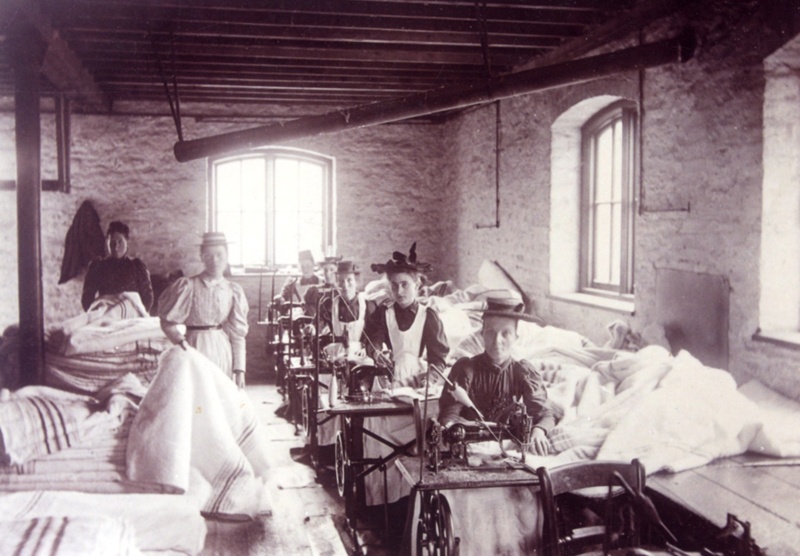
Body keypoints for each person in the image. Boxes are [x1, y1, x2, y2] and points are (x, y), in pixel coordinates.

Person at [438, 294, 555, 455]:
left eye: (506, 333)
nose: (497, 341)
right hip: (469, 446)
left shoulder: (523, 372)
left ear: (516, 337)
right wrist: (450, 430)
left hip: (504, 448)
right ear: (482, 334)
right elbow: (449, 414)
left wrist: (539, 430)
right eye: (490, 332)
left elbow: (544, 413)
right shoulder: (465, 370)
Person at [158, 232, 249, 389]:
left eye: (219, 254)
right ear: (202, 257)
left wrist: (240, 369)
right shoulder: (188, 286)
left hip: (221, 351)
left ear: (227, 256)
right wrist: (181, 342)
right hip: (194, 348)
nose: (214, 260)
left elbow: (238, 335)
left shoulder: (232, 290)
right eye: (209, 255)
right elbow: (167, 322)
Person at [362, 242, 449, 387]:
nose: (399, 291)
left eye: (405, 284)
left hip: (418, 381)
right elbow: (372, 339)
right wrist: (377, 354)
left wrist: (430, 379)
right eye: (394, 285)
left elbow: (439, 359)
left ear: (416, 285)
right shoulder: (383, 313)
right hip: (387, 380)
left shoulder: (427, 316)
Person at [81, 220, 154, 312]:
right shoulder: (98, 267)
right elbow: (87, 299)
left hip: (130, 316)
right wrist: (98, 313)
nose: (116, 247)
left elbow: (148, 299)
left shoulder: (137, 266)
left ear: (127, 242)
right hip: (107, 315)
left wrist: (134, 313)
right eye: (112, 242)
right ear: (107, 243)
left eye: (120, 242)